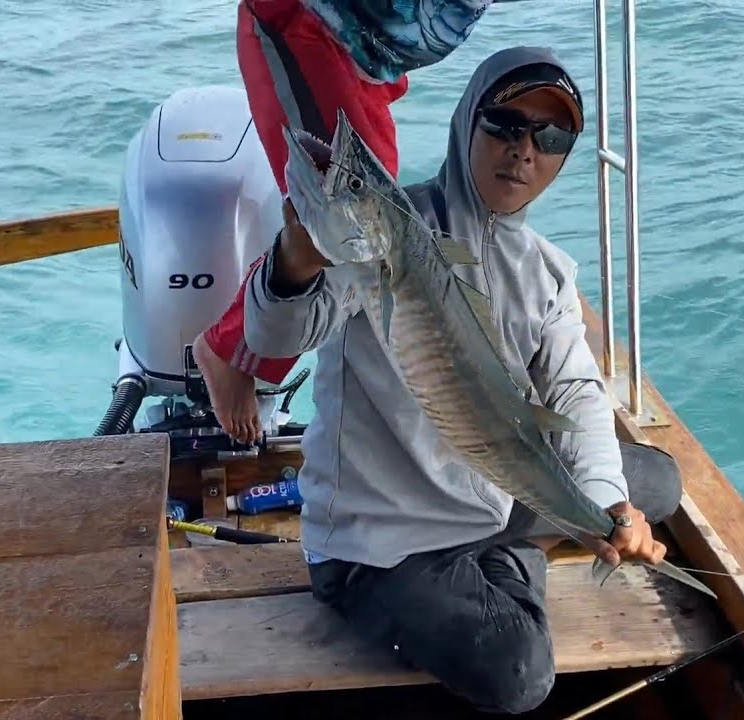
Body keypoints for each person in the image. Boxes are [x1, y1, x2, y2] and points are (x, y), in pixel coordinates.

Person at [240, 46, 685, 715]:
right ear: (466, 125)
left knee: (656, 482)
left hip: (489, 492)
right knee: (520, 676)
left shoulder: (548, 272)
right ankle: (515, 556)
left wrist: (608, 505)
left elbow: (576, 396)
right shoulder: (383, 240)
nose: (523, 150)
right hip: (383, 538)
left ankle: (523, 540)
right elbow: (274, 337)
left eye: (551, 135)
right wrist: (294, 263)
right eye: (505, 123)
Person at [193, 0, 519, 444]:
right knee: (341, 210)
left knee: (373, 195)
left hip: (372, 47)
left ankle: (248, 343)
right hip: (310, 25)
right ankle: (231, 350)